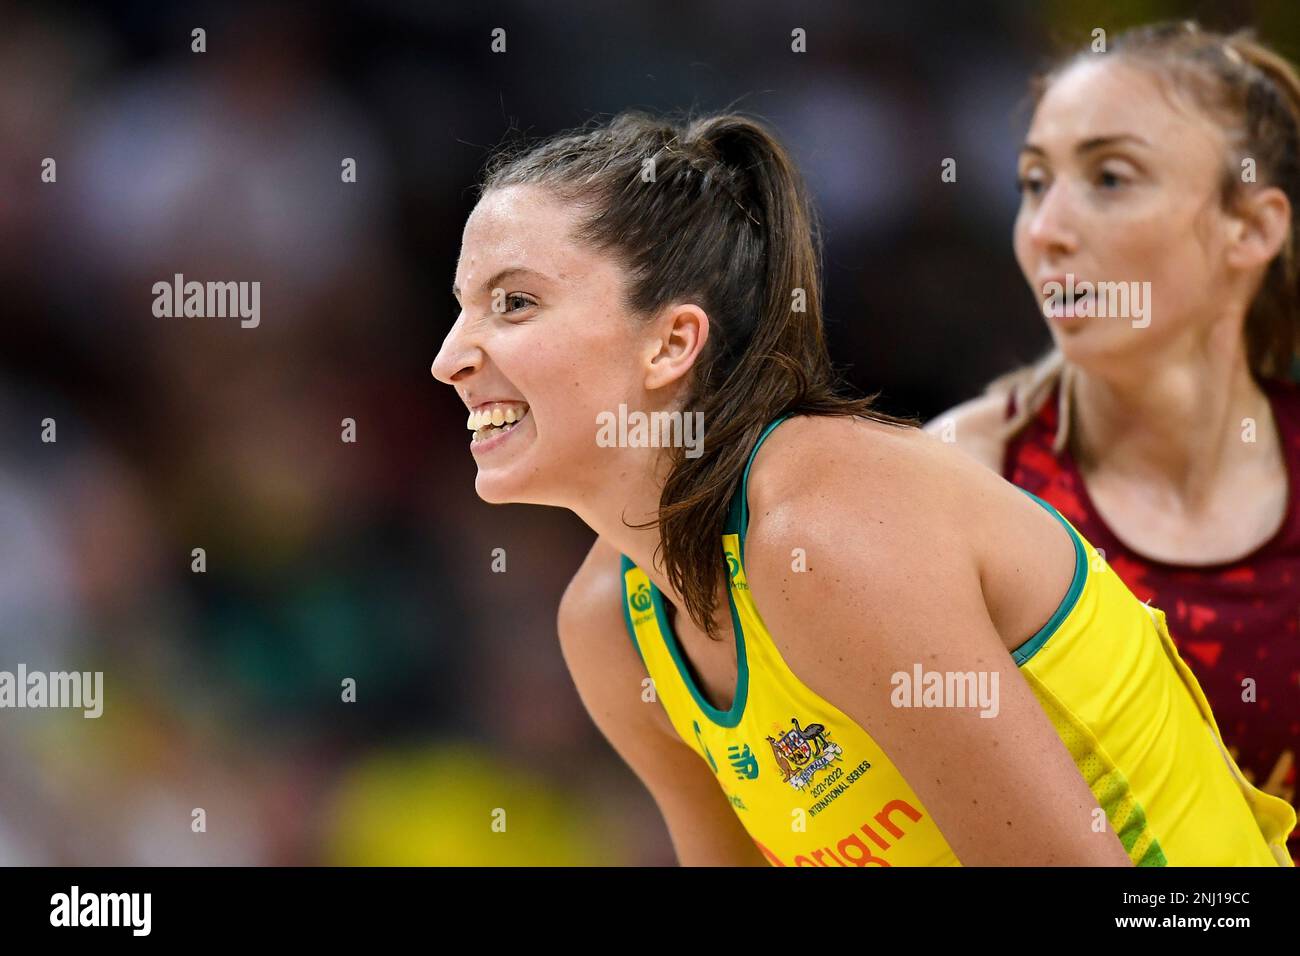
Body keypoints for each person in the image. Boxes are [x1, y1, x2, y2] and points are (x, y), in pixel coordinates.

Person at [433, 108, 1294, 866]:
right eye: (463, 307)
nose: (450, 358)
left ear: (671, 344)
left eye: (515, 304)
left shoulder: (821, 537)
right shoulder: (609, 629)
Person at [930, 21, 1300, 859]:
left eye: (1109, 177)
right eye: (1033, 183)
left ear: (1250, 228)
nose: (1045, 229)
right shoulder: (966, 476)